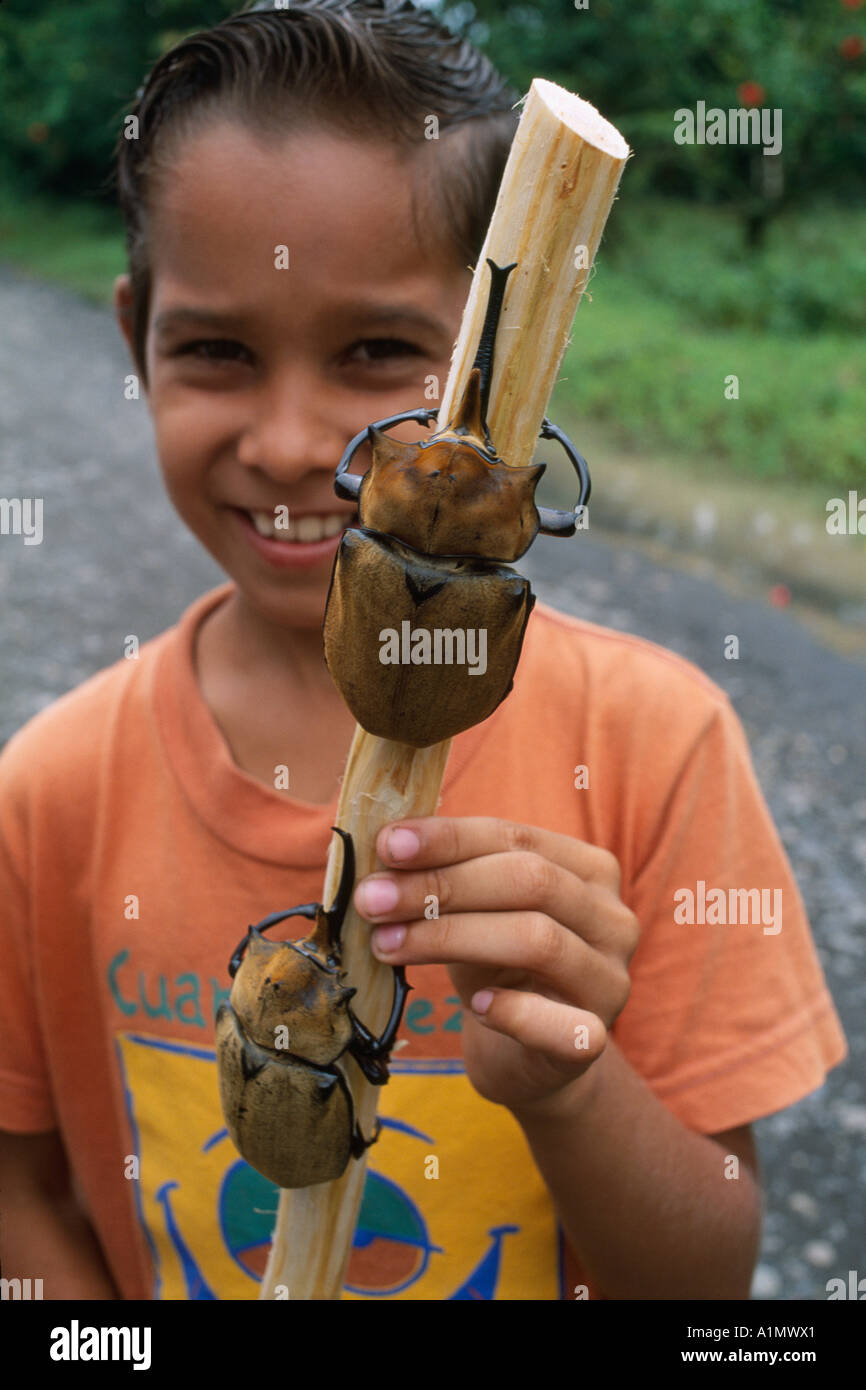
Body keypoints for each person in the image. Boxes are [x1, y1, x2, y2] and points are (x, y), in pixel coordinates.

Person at [0, 0, 846, 1302]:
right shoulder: (44, 793)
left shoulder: (655, 748)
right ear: (133, 341)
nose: (291, 444)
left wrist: (571, 1084)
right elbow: (19, 1197)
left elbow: (708, 1278)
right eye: (218, 349)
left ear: (500, 378)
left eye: (378, 354)